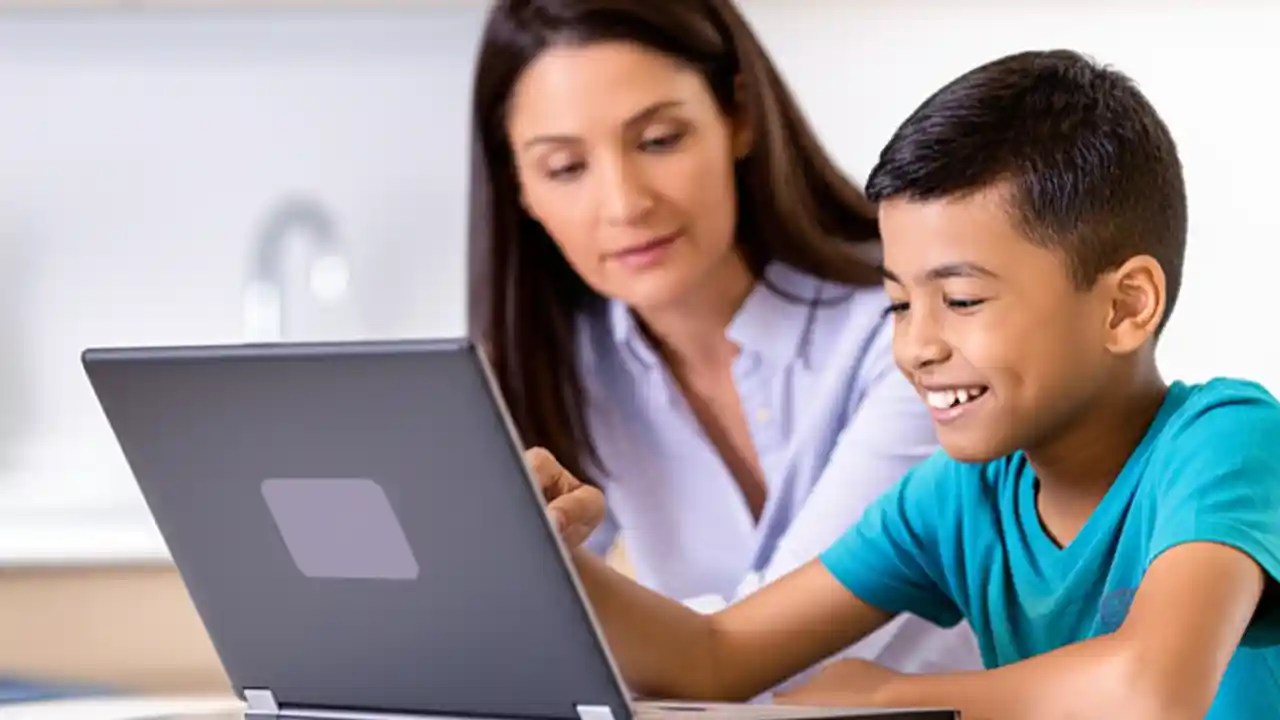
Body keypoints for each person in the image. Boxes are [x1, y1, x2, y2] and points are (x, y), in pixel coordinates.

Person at [524, 48, 1280, 720]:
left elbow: (1152, 690)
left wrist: (889, 698)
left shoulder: (1226, 440)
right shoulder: (959, 496)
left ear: (1125, 306)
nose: (916, 346)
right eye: (898, 302)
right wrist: (541, 549)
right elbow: (715, 655)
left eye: (961, 300)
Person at [466, 0, 980, 676]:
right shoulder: (566, 365)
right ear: (520, 187)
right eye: (565, 167)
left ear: (737, 115)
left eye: (658, 141)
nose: (624, 204)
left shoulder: (911, 327)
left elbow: (768, 660)